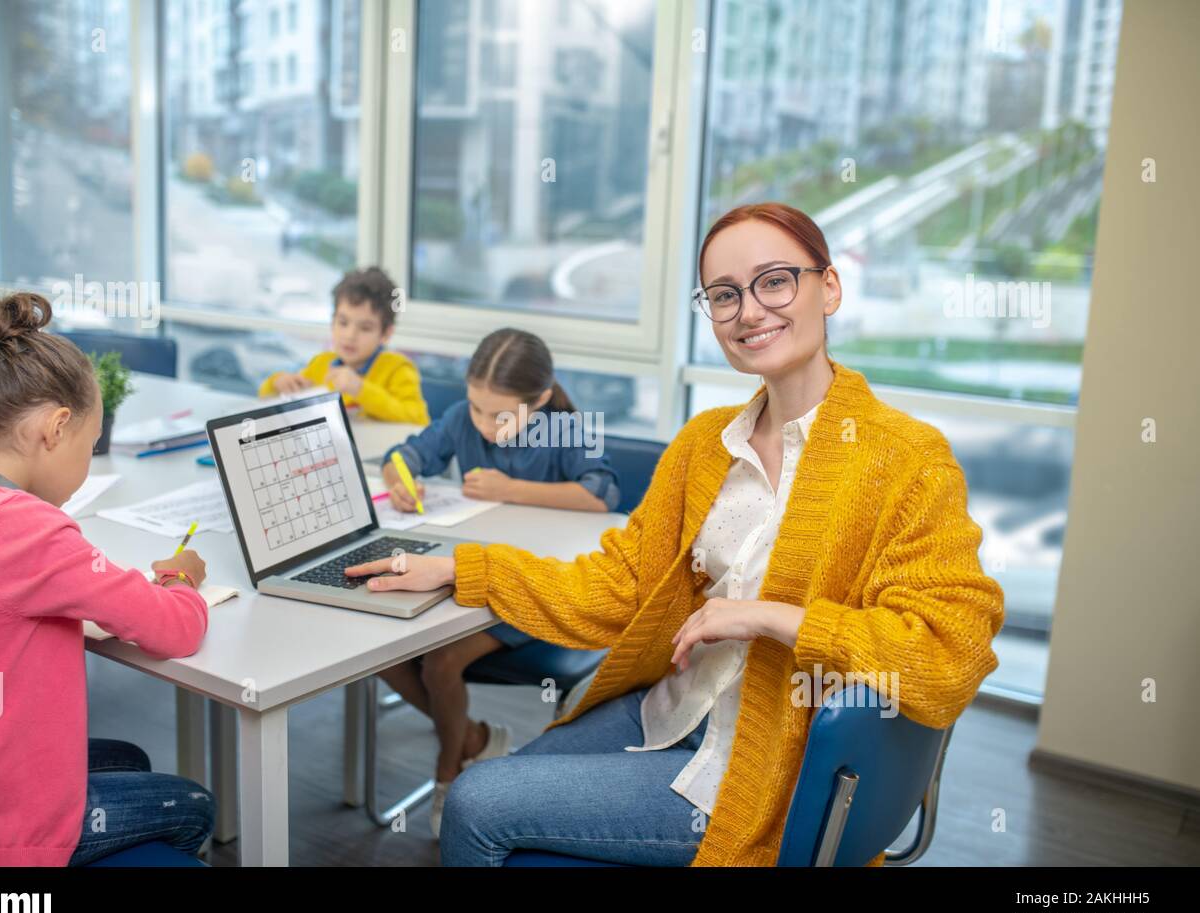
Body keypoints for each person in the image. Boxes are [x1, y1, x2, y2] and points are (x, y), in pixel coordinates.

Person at [347, 202, 1006, 866]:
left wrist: (772, 617)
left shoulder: (906, 459)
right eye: (725, 295)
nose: (749, 311)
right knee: (509, 781)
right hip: (671, 713)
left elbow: (949, 654)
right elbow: (620, 586)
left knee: (475, 801)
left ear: (828, 286)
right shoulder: (702, 446)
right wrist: (463, 568)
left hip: (759, 779)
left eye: (774, 281)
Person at [0, 292, 216, 866]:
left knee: (126, 759)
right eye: (90, 449)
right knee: (194, 803)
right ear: (56, 427)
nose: (87, 466)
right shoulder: (22, 529)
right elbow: (174, 630)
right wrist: (182, 583)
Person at [377, 327, 622, 836]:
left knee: (442, 661)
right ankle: (474, 738)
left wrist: (514, 489)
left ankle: (449, 769)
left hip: (536, 586)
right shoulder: (461, 421)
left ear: (541, 400)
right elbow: (407, 453)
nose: (485, 426)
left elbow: (602, 496)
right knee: (382, 649)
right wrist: (398, 477)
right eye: (475, 409)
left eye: (501, 415)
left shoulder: (566, 429)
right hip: (467, 573)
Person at [259, 266, 430, 425]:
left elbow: (418, 419)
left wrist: (360, 389)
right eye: (343, 322)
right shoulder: (321, 364)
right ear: (332, 322)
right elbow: (267, 399)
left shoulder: (398, 369)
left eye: (365, 328)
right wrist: (277, 383)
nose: (350, 336)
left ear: (386, 334)